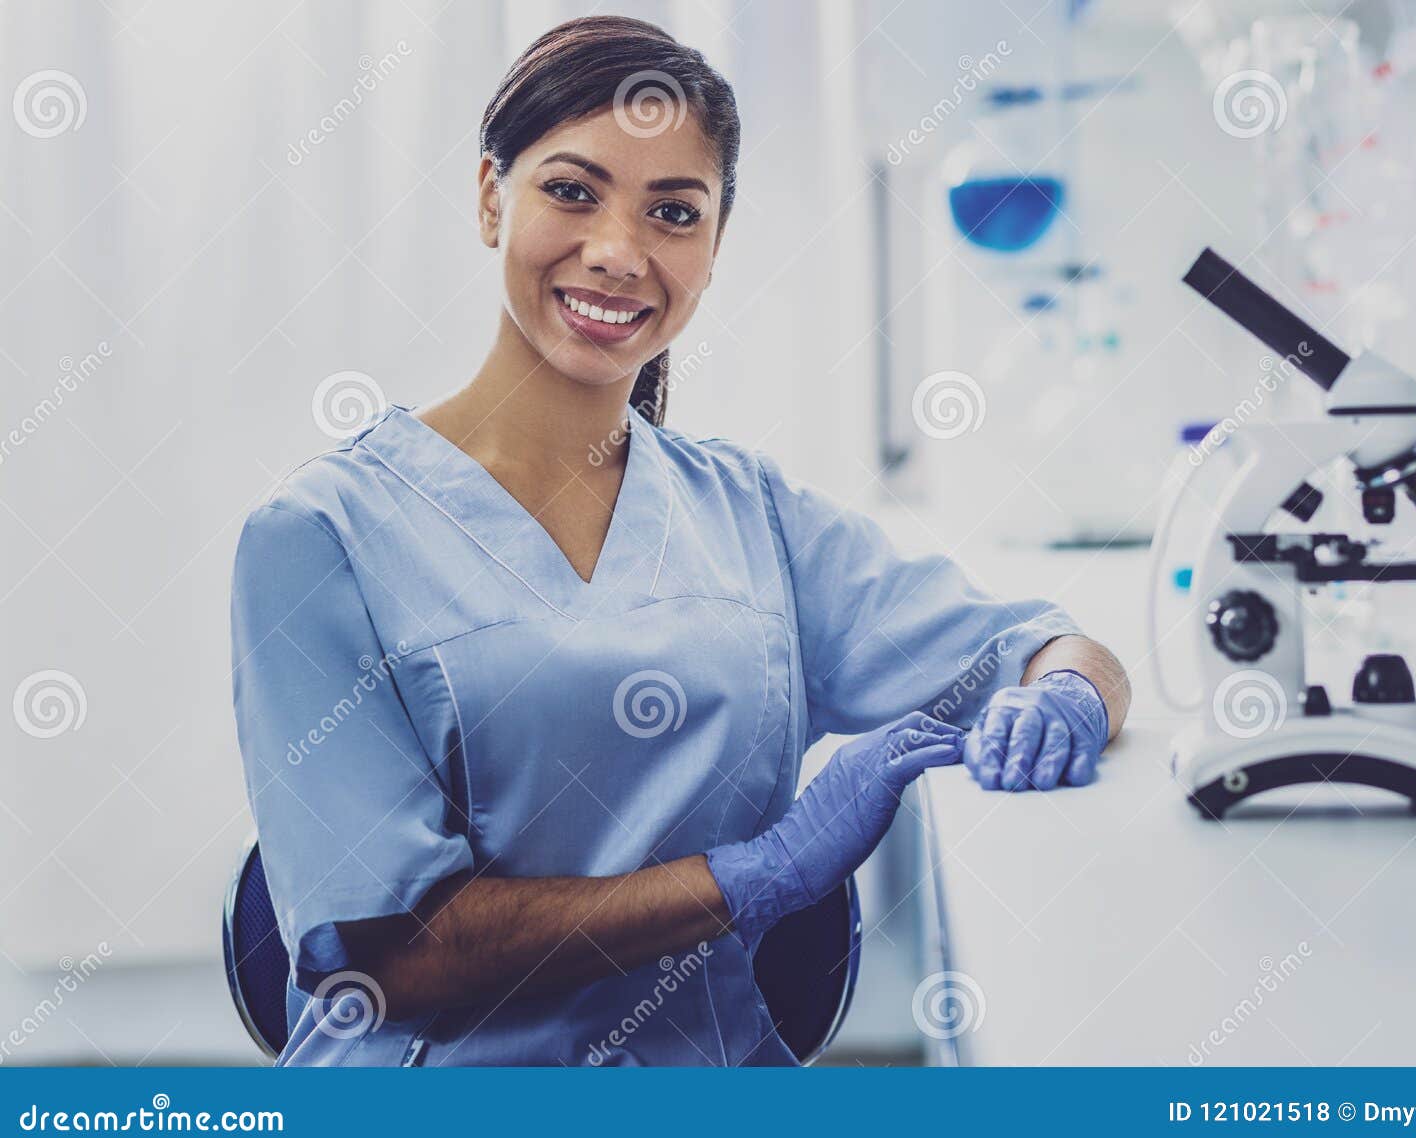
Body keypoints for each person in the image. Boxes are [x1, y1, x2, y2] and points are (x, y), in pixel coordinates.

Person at [229, 14, 1129, 1067]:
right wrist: (757, 874)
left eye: (672, 211)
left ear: (711, 248)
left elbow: (1049, 644)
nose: (618, 251)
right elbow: (392, 959)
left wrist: (1066, 693)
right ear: (489, 198)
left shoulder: (751, 515)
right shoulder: (320, 537)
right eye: (572, 190)